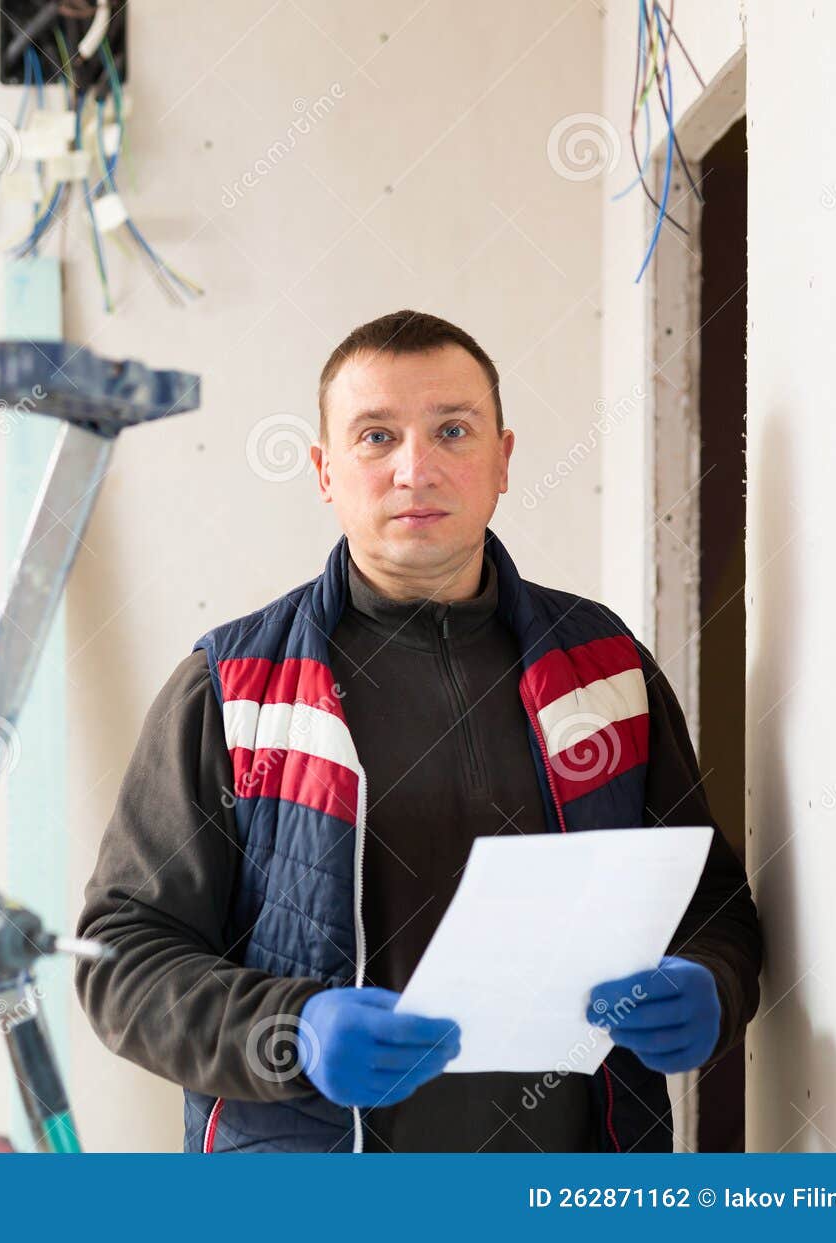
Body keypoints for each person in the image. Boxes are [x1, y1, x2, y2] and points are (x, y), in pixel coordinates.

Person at [74, 309, 763, 1153]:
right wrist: (293, 1030)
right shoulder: (233, 690)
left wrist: (713, 986)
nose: (415, 468)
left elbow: (714, 906)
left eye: (452, 430)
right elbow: (119, 957)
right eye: (375, 436)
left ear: (502, 460)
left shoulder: (607, 668)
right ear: (326, 471)